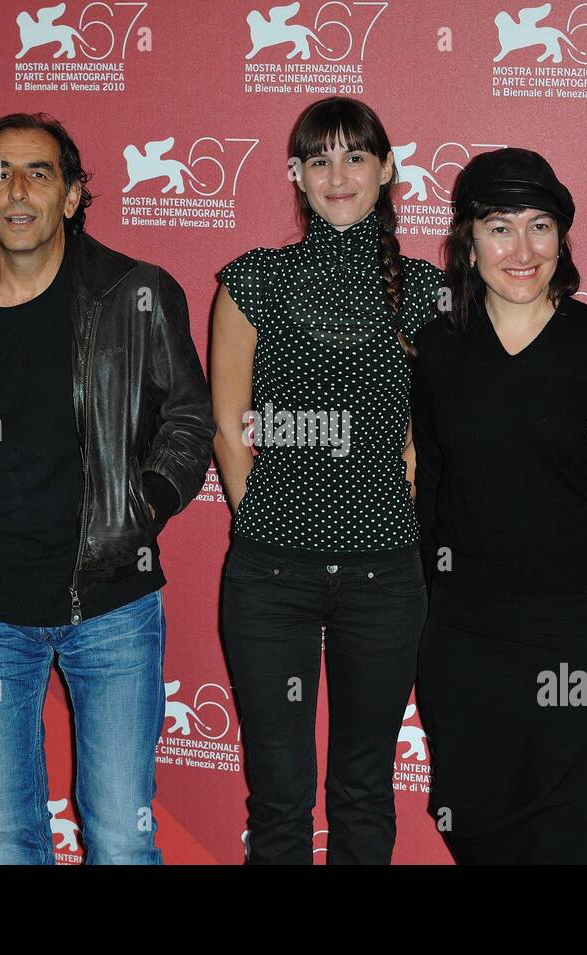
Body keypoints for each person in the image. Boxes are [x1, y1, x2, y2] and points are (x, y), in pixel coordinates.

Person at [0, 112, 214, 864]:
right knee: (3, 835)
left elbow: (190, 422)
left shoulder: (137, 293)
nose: (18, 189)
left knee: (121, 837)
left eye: (39, 171)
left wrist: (139, 509)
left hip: (112, 603)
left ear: (70, 196)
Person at [211, 96, 443, 865]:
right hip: (270, 576)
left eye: (354, 156)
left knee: (364, 791)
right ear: (296, 175)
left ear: (386, 170)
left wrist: (393, 499)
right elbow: (229, 425)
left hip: (386, 578)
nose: (337, 174)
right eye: (320, 158)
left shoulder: (426, 289)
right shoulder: (252, 280)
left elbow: (427, 430)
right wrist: (265, 521)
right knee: (278, 797)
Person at [411, 148, 587, 864]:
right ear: (468, 242)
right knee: (473, 824)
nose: (522, 248)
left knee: (573, 833)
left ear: (563, 238)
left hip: (579, 635)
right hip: (465, 638)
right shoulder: (439, 348)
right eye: (500, 227)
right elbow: (432, 488)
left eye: (540, 226)